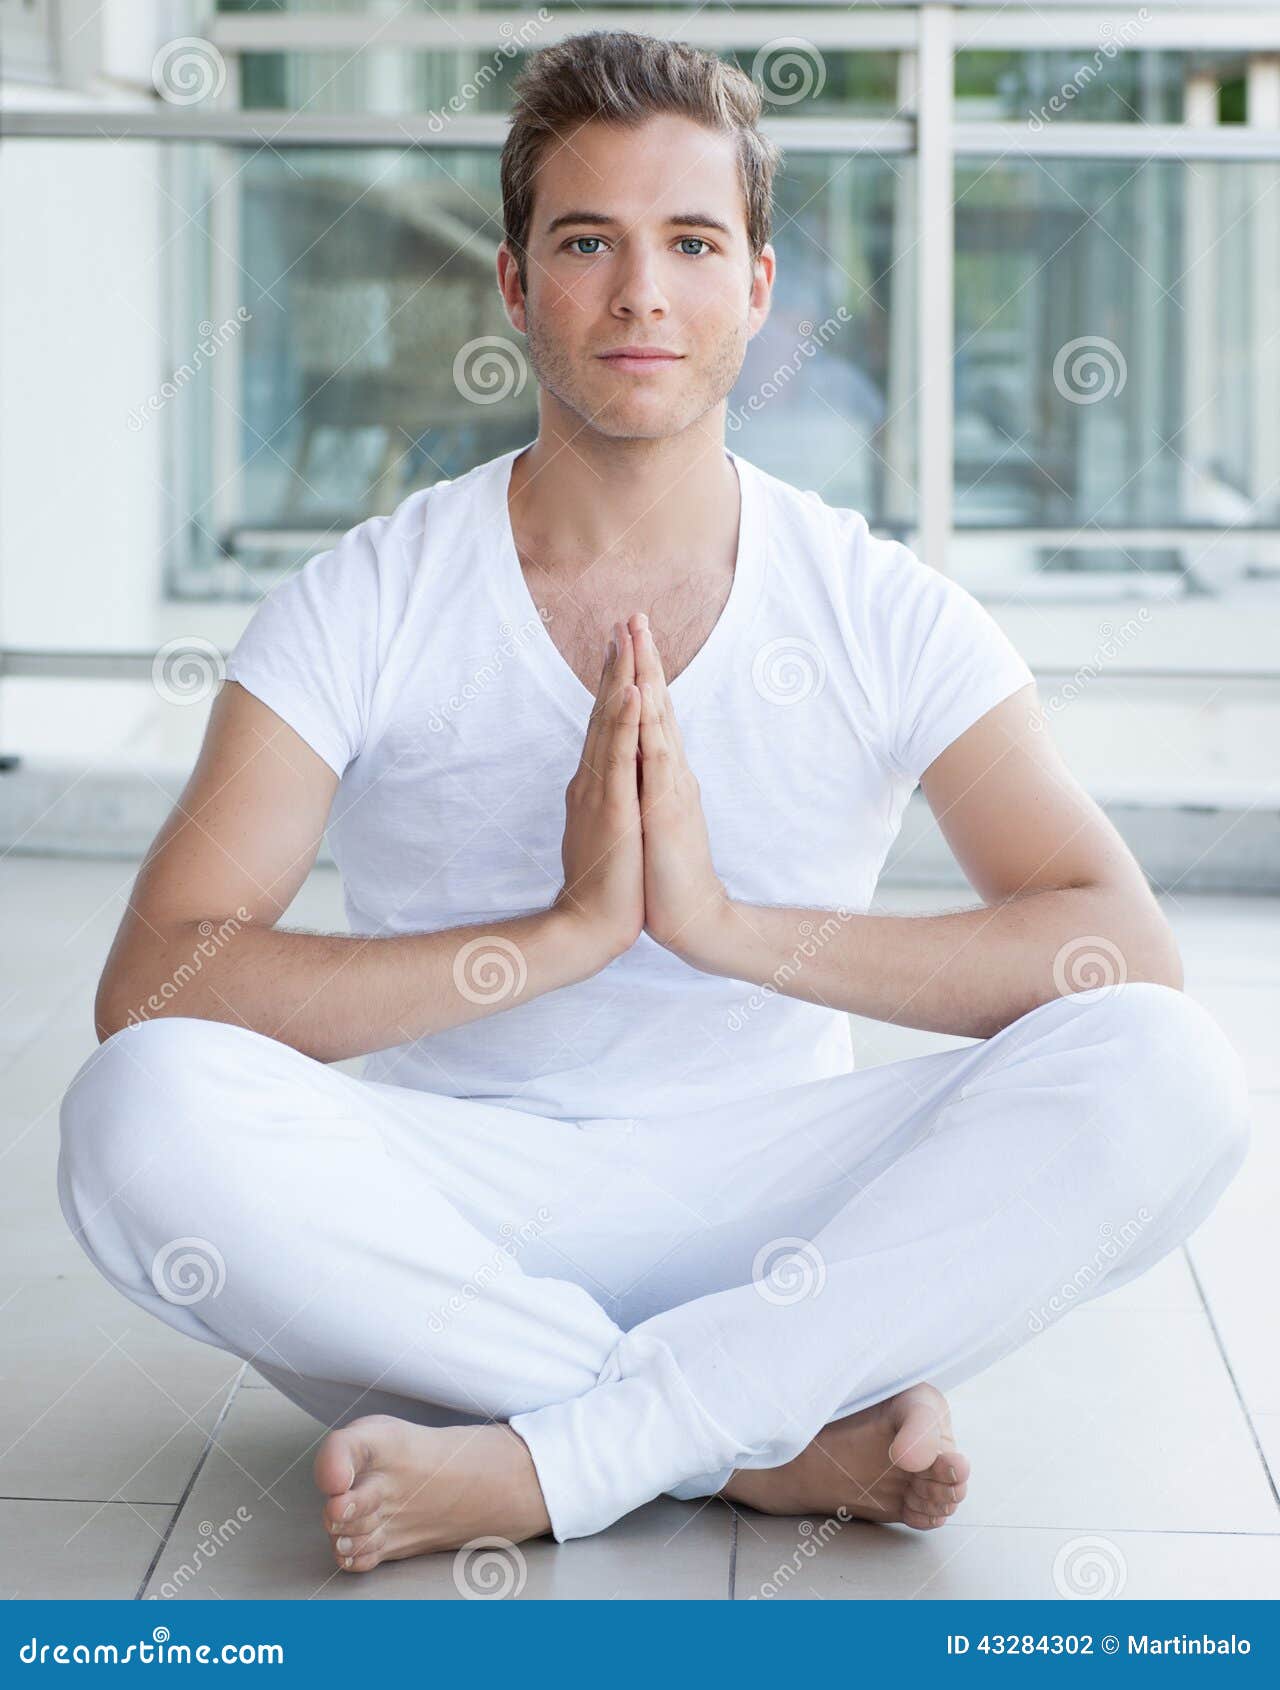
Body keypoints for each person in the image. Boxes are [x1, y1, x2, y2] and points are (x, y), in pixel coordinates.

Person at [57, 31, 1251, 1576]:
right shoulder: (363, 596)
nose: (641, 294)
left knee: (1170, 1066)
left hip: (777, 1209)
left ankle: (566, 1444)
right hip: (456, 1214)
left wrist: (726, 928)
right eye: (587, 243)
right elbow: (156, 980)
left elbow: (1116, 948)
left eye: (691, 243)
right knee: (136, 1110)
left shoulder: (881, 605)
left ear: (758, 286)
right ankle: (748, 1435)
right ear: (514, 285)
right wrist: (560, 936)